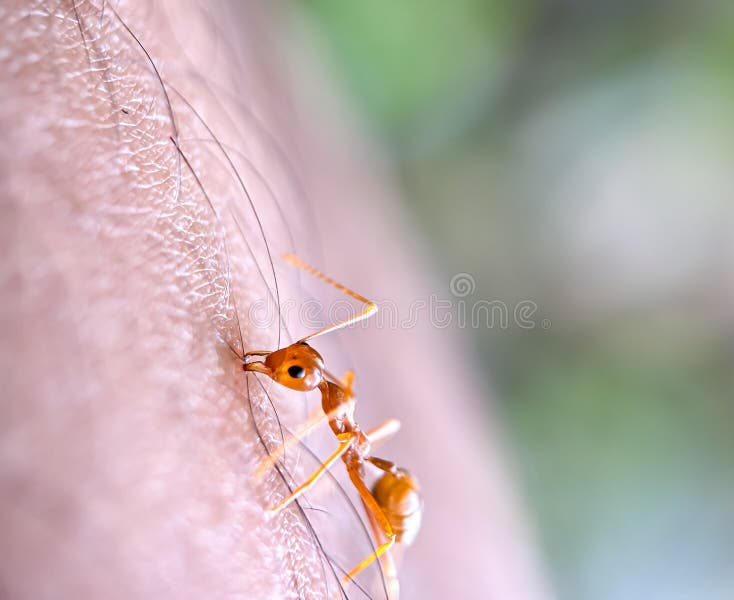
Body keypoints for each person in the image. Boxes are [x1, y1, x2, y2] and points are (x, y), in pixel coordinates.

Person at [0, 1, 550, 597]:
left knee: (383, 546)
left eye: (288, 369)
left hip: (395, 508)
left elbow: (319, 448)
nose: (277, 368)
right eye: (289, 368)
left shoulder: (345, 435)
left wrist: (282, 476)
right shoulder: (337, 400)